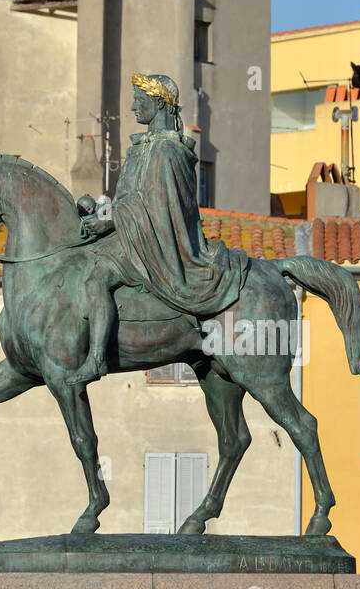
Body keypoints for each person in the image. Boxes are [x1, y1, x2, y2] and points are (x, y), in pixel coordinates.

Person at [74, 72, 249, 379]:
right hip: (134, 233)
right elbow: (129, 200)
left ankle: (97, 358)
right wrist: (99, 212)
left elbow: (159, 208)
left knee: (97, 277)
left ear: (157, 104)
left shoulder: (167, 150)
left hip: (155, 243)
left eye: (139, 101)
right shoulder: (144, 147)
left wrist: (111, 220)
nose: (132, 107)